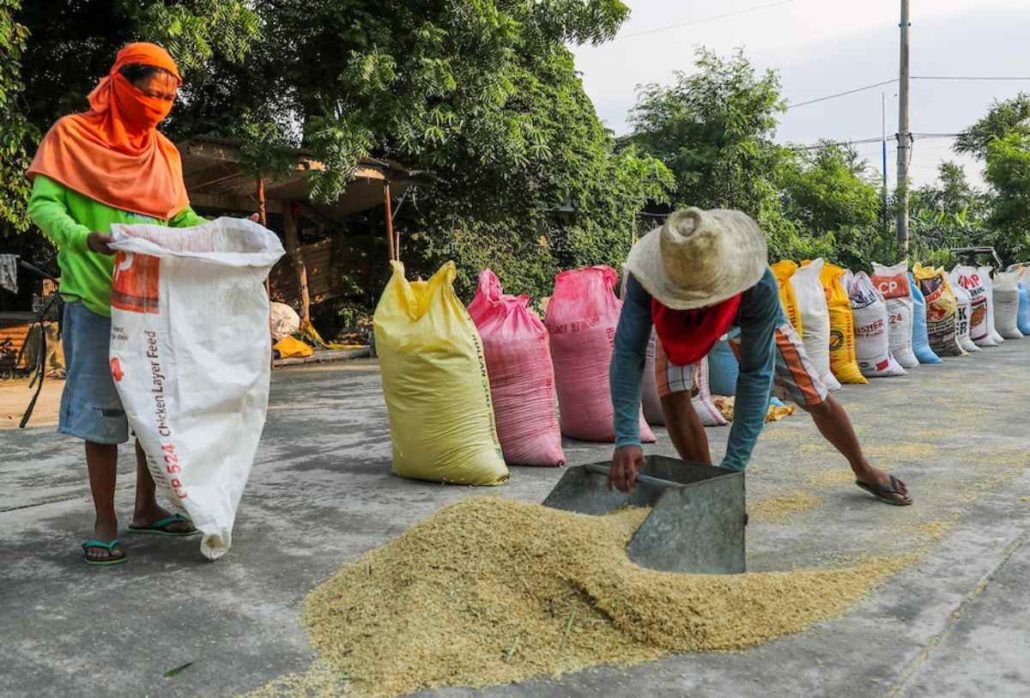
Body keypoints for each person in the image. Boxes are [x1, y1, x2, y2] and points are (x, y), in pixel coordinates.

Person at [27, 43, 208, 565]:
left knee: (154, 411)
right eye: (150, 94)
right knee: (102, 412)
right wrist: (84, 237)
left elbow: (180, 219)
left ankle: (146, 507)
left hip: (152, 301)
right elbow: (43, 205)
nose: (158, 107)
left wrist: (224, 233)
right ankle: (105, 520)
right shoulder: (71, 136)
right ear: (120, 85)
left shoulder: (165, 153)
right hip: (94, 300)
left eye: (168, 99)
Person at [608, 207, 911, 505]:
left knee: (814, 396)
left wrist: (734, 466)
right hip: (678, 323)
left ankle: (862, 468)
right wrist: (627, 437)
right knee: (674, 397)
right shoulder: (648, 278)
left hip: (747, 318)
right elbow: (627, 353)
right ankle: (708, 490)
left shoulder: (757, 283)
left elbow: (755, 376)